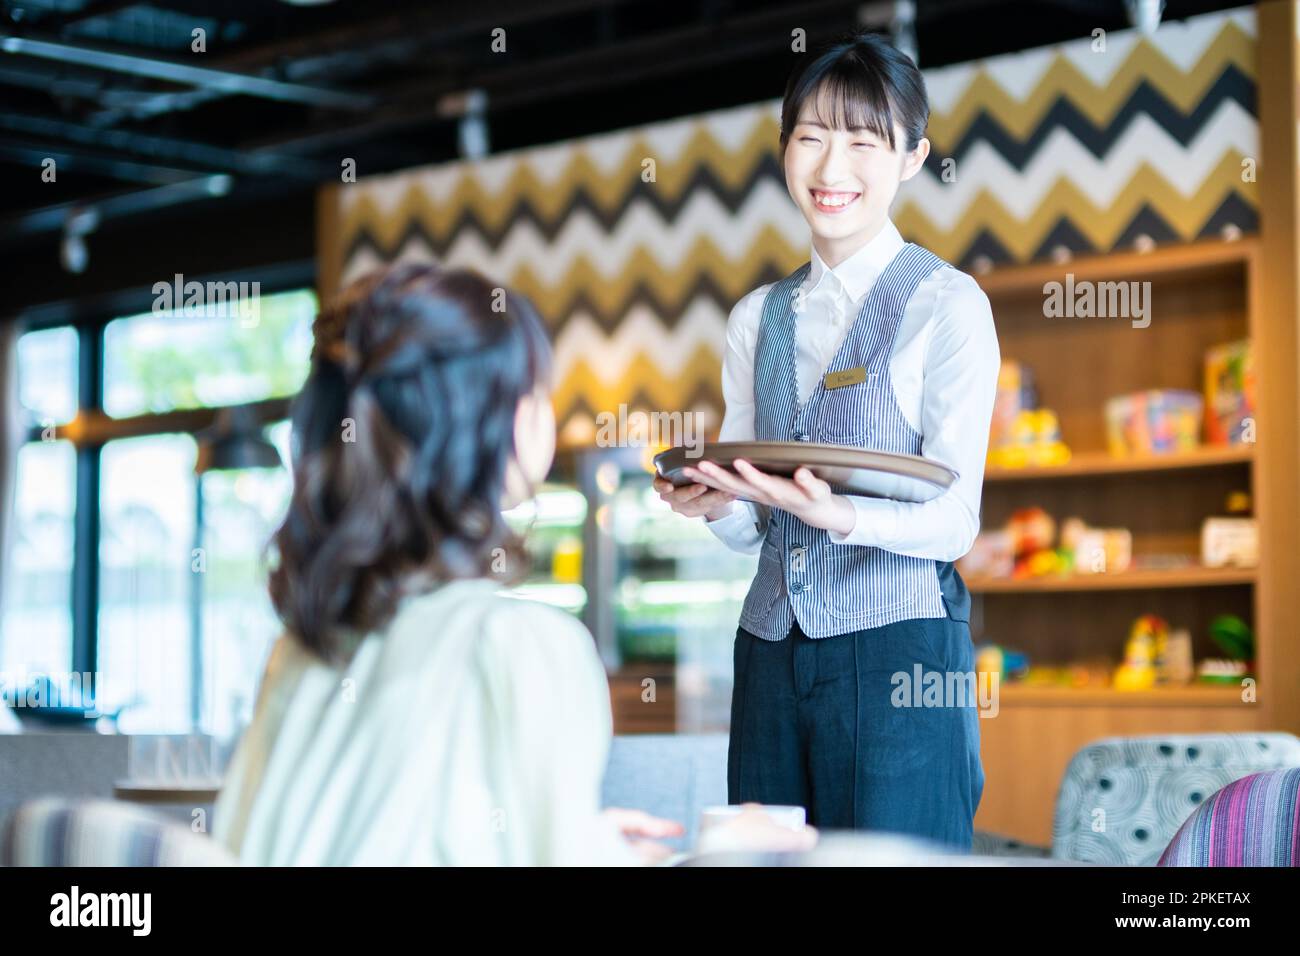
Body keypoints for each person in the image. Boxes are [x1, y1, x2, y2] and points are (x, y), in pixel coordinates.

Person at [213, 264, 686, 865]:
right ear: (499, 420)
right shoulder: (523, 641)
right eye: (538, 391)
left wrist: (593, 841)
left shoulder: (305, 646)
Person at [654, 32, 1000, 849]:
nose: (830, 166)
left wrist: (842, 517)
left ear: (912, 156)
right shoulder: (756, 318)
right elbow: (754, 524)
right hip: (770, 652)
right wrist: (714, 504)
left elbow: (956, 521)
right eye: (810, 136)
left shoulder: (946, 305)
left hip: (899, 649)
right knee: (761, 867)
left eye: (862, 140)